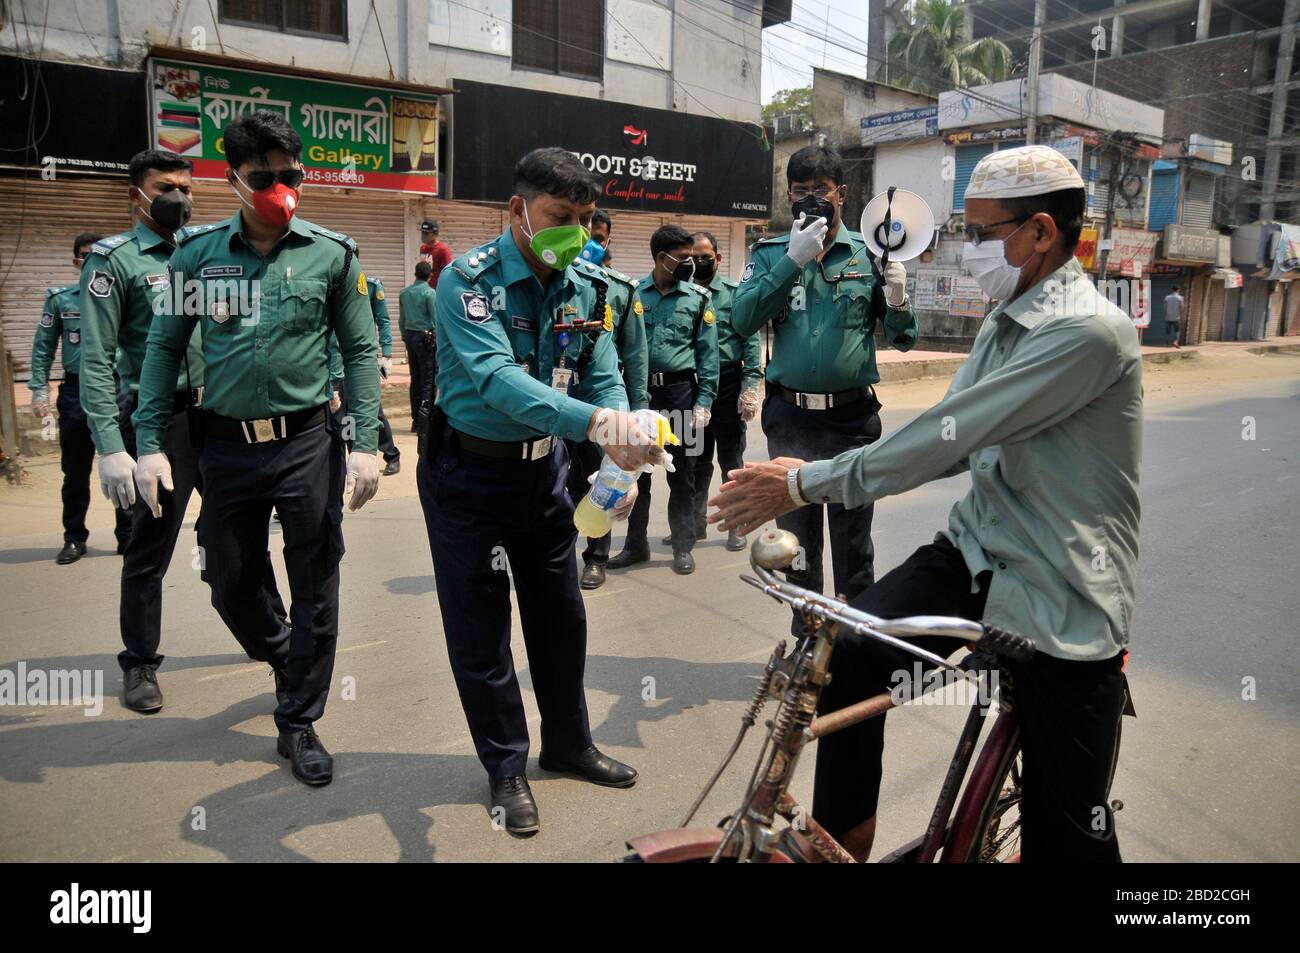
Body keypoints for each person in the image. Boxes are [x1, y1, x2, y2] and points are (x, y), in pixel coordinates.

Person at [711, 144, 1140, 863]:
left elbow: (947, 438)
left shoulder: (1084, 330)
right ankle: (841, 846)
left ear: (1039, 231)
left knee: (1069, 841)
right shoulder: (1007, 317)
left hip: (1059, 588)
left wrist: (801, 482)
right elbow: (954, 435)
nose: (970, 250)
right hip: (976, 553)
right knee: (849, 658)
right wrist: (807, 468)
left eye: (980, 232)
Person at [419, 146, 666, 834]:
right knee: (482, 629)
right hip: (468, 474)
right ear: (518, 211)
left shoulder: (588, 286)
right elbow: (497, 379)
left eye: (587, 219)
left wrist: (616, 443)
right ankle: (505, 766)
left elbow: (603, 371)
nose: (578, 233)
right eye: (563, 217)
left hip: (543, 473)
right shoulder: (465, 282)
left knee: (561, 617)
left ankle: (568, 742)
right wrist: (597, 422)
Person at [132, 111, 381, 787]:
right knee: (228, 576)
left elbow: (360, 349)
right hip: (227, 447)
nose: (281, 187)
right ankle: (285, 654)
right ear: (234, 179)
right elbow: (162, 347)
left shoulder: (332, 253)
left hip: (307, 441)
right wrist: (148, 443)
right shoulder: (196, 256)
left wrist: (365, 441)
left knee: (315, 581)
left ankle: (298, 719)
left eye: (291, 174)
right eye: (265, 176)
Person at [79, 148, 287, 715]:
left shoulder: (205, 251)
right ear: (135, 195)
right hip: (160, 422)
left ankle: (276, 641)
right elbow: (95, 360)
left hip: (222, 417)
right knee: (151, 545)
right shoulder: (113, 261)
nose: (180, 198)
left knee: (242, 537)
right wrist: (110, 446)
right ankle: (140, 661)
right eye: (166, 187)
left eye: (187, 188)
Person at [730, 145, 916, 634]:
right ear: (788, 196)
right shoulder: (771, 254)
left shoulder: (872, 253)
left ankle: (855, 644)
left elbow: (903, 338)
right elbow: (742, 318)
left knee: (853, 542)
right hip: (791, 419)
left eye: (821, 190)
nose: (810, 199)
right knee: (797, 540)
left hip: (851, 422)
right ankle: (808, 637)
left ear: (842, 194)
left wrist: (897, 298)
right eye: (800, 191)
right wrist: (791, 261)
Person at [607, 224, 718, 576]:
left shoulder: (699, 300)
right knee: (635, 473)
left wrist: (705, 401)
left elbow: (709, 356)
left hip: (681, 393)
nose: (691, 264)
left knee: (682, 473)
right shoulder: (633, 294)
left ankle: (682, 545)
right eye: (684, 258)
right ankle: (635, 545)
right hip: (639, 393)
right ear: (661, 258)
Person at [28, 232, 132, 563]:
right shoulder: (61, 300)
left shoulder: (123, 297)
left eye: (97, 256)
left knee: (123, 464)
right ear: (76, 262)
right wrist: (39, 391)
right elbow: (43, 348)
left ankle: (127, 535)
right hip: (75, 392)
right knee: (75, 471)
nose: (91, 263)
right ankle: (74, 536)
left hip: (118, 389)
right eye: (85, 257)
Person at [567, 210, 649, 590]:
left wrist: (636, 412)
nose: (588, 242)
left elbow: (633, 358)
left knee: (601, 482)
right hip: (557, 403)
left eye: (597, 236)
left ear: (608, 241)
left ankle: (596, 558)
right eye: (582, 232)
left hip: (603, 402)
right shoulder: (551, 281)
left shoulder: (618, 289)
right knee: (559, 484)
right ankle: (558, 556)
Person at [672, 230, 759, 553]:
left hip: (727, 384)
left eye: (705, 257)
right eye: (692, 257)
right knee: (694, 461)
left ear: (718, 259)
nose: (698, 263)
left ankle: (736, 526)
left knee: (731, 461)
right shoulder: (681, 295)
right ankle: (694, 525)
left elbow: (751, 345)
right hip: (691, 388)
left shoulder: (735, 296)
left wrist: (749, 388)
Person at [364, 269, 401, 474]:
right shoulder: (329, 283)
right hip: (333, 359)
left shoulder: (370, 286)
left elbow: (383, 320)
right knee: (337, 415)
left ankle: (392, 454)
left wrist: (386, 354)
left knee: (372, 410)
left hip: (362, 359)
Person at [399, 261, 438, 425]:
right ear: (430, 276)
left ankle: (415, 419)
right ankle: (425, 419)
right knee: (428, 379)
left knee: (415, 378)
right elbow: (435, 319)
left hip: (409, 336)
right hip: (425, 339)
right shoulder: (430, 293)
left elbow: (402, 319)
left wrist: (404, 336)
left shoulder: (404, 293)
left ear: (415, 274)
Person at [419, 219, 452, 288]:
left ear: (435, 234)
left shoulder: (443, 250)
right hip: (424, 288)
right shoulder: (423, 248)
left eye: (426, 233)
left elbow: (448, 273)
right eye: (422, 233)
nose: (423, 236)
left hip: (436, 289)